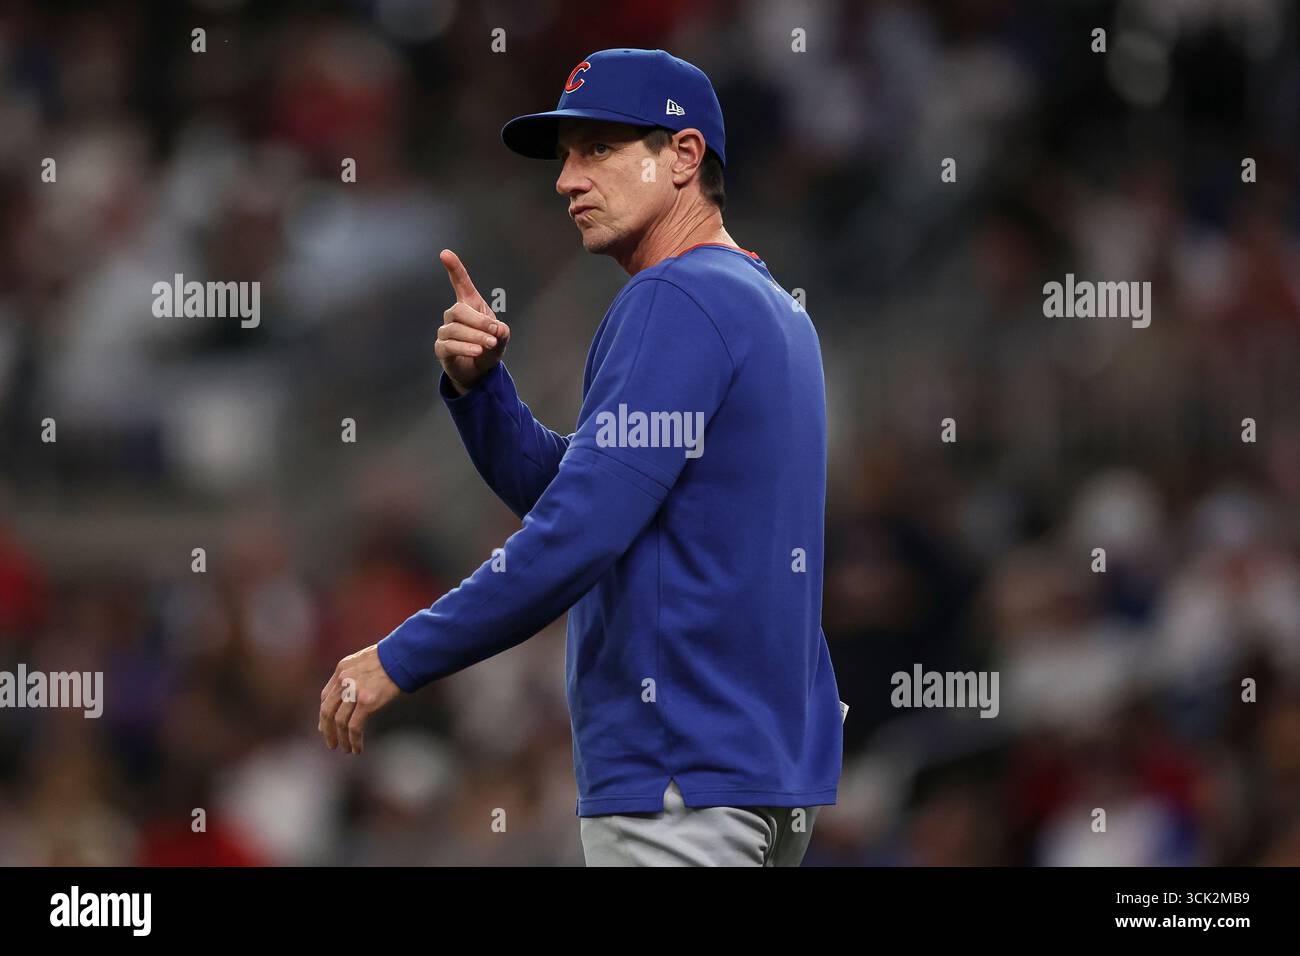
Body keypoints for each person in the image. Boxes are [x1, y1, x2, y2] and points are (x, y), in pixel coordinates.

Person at [318, 48, 844, 866]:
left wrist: (400, 656)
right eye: (565, 156)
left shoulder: (675, 298)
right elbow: (593, 498)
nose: (567, 179)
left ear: (683, 155)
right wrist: (485, 392)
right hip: (757, 778)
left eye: (598, 148)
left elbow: (578, 534)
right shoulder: (774, 309)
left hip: (676, 775)